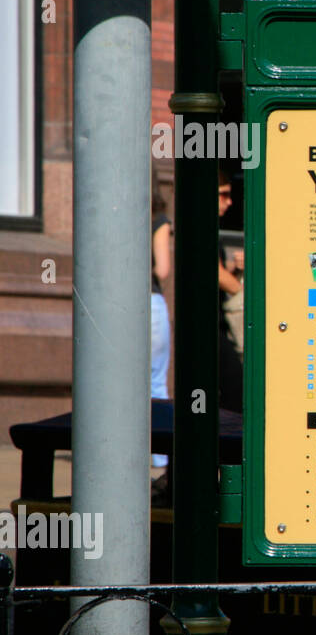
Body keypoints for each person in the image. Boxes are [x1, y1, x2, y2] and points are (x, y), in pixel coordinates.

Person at [150, 171, 173, 469]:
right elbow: (163, 269)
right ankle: (160, 457)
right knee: (156, 383)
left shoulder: (110, 210)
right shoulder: (158, 217)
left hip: (112, 307)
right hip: (150, 302)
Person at [217, 168, 244, 412]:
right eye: (223, 195)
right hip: (212, 329)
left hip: (218, 326)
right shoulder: (200, 228)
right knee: (235, 391)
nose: (229, 201)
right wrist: (245, 294)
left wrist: (233, 271)